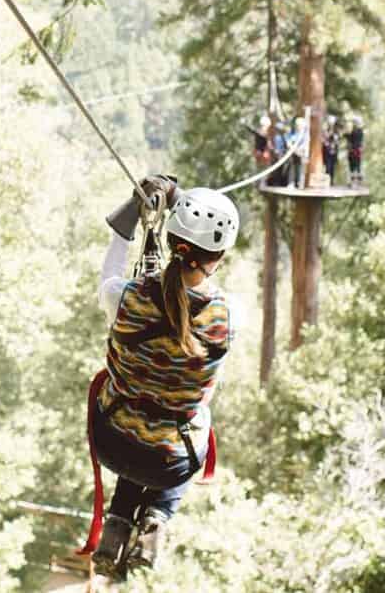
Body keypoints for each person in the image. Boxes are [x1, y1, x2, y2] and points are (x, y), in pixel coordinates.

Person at [88, 178, 239, 579]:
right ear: (219, 255)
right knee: (188, 419)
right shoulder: (227, 317)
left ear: (173, 241)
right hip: (168, 465)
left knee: (141, 419)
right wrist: (181, 201)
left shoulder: (125, 297)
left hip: (112, 442)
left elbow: (112, 265)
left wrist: (135, 211)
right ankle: (156, 515)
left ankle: (119, 519)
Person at [287, 115, 309, 188]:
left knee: (300, 169)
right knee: (292, 168)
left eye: (300, 125)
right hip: (292, 153)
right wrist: (292, 148)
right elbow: (288, 141)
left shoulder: (304, 134)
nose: (298, 126)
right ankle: (291, 183)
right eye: (297, 125)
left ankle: (300, 183)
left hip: (301, 154)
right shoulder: (292, 133)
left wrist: (299, 150)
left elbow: (305, 143)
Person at [323, 114, 339, 186]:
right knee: (328, 166)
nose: (331, 123)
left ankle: (331, 181)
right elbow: (325, 138)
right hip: (327, 151)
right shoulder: (326, 129)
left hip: (334, 151)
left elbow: (337, 139)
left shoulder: (336, 130)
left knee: (332, 167)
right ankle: (327, 181)